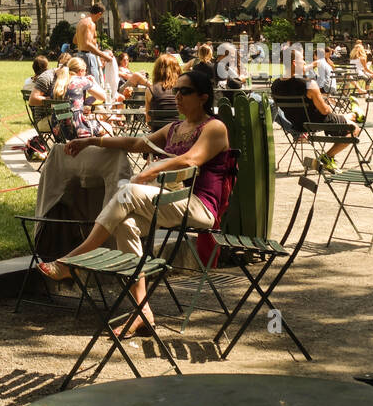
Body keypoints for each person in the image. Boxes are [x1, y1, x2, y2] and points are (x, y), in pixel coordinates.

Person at [38, 65, 230, 336]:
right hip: (171, 200)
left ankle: (74, 260)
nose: (177, 97)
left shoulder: (214, 127)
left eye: (185, 92)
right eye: (176, 91)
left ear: (203, 97)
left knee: (127, 192)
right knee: (124, 224)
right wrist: (92, 140)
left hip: (199, 205)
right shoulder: (175, 128)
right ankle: (143, 312)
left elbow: (192, 159)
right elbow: (136, 143)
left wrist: (152, 170)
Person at [50, 56, 106, 140]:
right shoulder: (80, 80)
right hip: (76, 129)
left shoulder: (59, 82)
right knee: (107, 127)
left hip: (58, 129)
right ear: (81, 71)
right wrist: (93, 81)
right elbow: (103, 96)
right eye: (85, 71)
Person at [73, 5, 114, 87]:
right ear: (99, 13)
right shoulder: (91, 24)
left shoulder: (80, 22)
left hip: (80, 55)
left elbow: (75, 41)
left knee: (83, 86)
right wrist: (104, 55)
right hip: (88, 57)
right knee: (95, 86)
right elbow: (88, 44)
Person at [145, 53, 181, 126]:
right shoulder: (183, 89)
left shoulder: (150, 90)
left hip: (158, 133)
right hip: (179, 132)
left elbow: (148, 121)